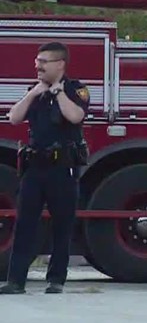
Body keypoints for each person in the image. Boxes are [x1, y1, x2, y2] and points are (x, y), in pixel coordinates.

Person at [1, 41, 90, 295]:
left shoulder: (76, 90)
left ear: (60, 64)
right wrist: (33, 94)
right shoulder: (34, 91)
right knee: (25, 224)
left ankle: (56, 280)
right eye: (37, 61)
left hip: (62, 168)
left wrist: (58, 93)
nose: (37, 66)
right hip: (34, 168)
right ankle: (16, 280)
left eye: (44, 62)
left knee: (62, 225)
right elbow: (14, 117)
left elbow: (75, 117)